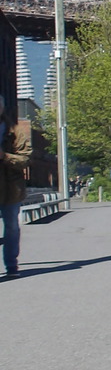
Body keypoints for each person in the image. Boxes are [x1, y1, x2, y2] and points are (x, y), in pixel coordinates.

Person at [1, 94, 30, 279]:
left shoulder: (14, 131)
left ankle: (11, 264)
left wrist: (5, 157)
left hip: (10, 188)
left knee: (11, 225)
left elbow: (25, 159)